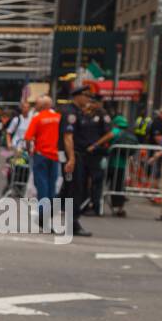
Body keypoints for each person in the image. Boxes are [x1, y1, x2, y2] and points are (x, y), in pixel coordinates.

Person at [61, 88, 105, 231]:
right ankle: (73, 223)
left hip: (78, 156)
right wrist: (72, 159)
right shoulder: (70, 112)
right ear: (78, 96)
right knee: (75, 189)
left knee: (68, 190)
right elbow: (68, 137)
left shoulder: (79, 112)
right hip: (74, 156)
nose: (88, 99)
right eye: (86, 96)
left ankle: (44, 216)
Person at [24, 95, 62, 229]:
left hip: (41, 155)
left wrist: (29, 151)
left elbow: (28, 137)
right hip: (55, 156)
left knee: (42, 187)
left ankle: (43, 215)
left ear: (42, 105)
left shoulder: (37, 118)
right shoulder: (59, 118)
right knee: (52, 186)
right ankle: (47, 215)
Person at [105, 114, 137, 218]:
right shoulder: (128, 134)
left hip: (110, 162)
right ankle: (119, 207)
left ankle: (96, 203)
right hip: (122, 165)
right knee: (118, 186)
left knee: (103, 184)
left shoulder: (114, 132)